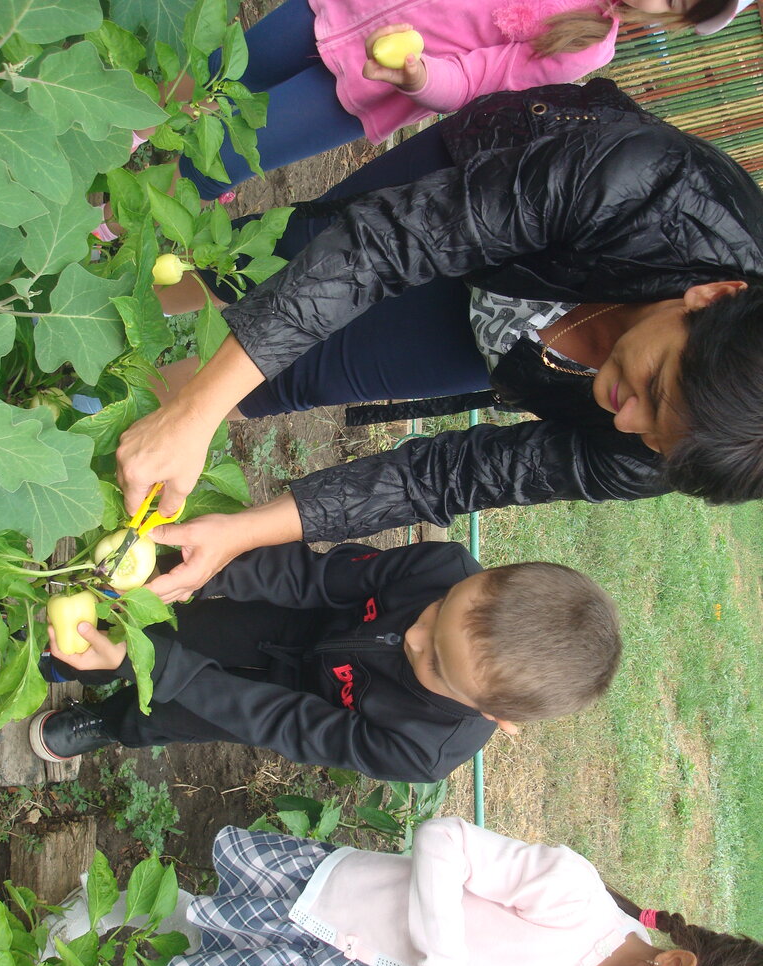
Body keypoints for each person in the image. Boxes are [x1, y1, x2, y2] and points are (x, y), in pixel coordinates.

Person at [115, 78, 763, 603]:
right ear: (712, 298)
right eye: (652, 386)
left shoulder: (691, 440)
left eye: (651, 436)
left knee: (304, 372)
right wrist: (195, 414)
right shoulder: (643, 188)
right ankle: (94, 294)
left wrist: (239, 533)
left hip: (511, 335)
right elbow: (386, 244)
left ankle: (108, 407)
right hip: (491, 188)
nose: (623, 417)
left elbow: (450, 477)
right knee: (279, 264)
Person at [29, 542, 620, 781]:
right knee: (173, 631)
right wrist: (212, 571)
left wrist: (164, 671)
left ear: (498, 719)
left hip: (298, 708)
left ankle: (109, 724)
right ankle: (72, 662)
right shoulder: (440, 567)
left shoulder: (425, 750)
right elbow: (317, 575)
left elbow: (283, 724)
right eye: (436, 611)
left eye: (437, 664)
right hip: (289, 626)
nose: (413, 635)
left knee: (175, 711)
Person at [163, 816, 763, 966]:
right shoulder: (575, 900)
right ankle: (98, 918)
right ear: (677, 964)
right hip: (337, 933)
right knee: (188, 934)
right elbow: (444, 840)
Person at [167, 0, 740, 200]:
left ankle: (111, 222)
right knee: (220, 72)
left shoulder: (585, 43)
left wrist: (417, 77)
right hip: (333, 9)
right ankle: (138, 126)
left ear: (672, 19)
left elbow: (474, 81)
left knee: (232, 154)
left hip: (363, 84)